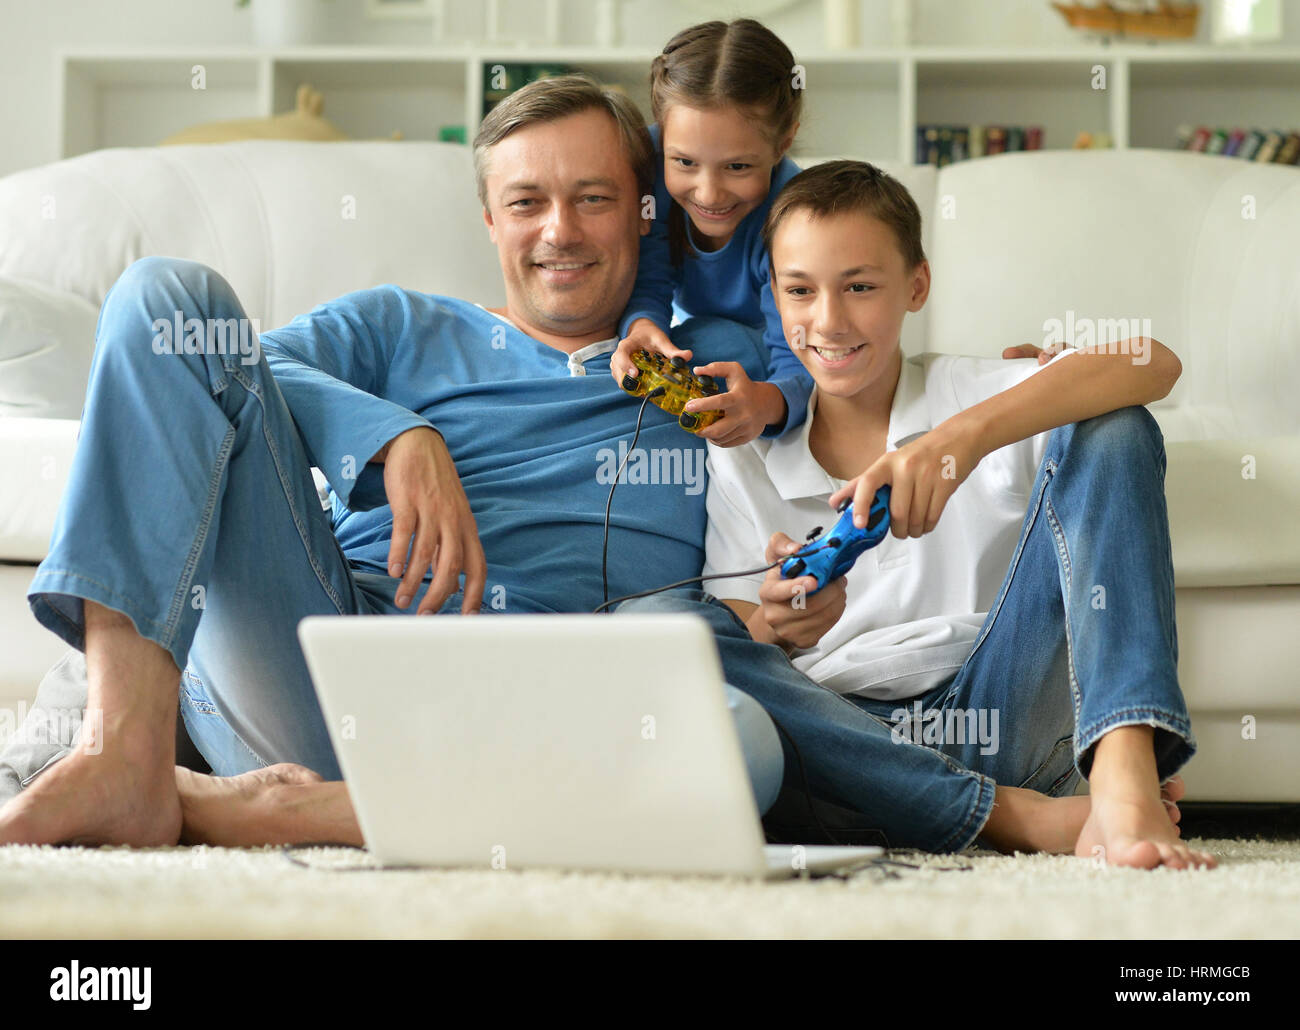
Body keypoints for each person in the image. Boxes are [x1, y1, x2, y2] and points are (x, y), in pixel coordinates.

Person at [701, 159, 1214, 869]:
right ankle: (1021, 818)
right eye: (800, 290)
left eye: (860, 286)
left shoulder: (971, 393)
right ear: (774, 295)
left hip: (1004, 703)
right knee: (696, 641)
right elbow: (742, 640)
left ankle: (1122, 764)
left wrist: (960, 438)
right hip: (853, 746)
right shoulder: (740, 456)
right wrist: (777, 627)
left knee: (1113, 423)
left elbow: (1151, 362)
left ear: (917, 286)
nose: (829, 320)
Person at [609, 19, 814, 447]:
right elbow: (651, 272)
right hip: (699, 334)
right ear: (662, 137)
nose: (709, 193)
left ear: (783, 143)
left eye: (737, 166)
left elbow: (800, 361)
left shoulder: (794, 219)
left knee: (710, 340)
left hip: (770, 345)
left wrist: (767, 402)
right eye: (684, 162)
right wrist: (642, 324)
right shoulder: (647, 166)